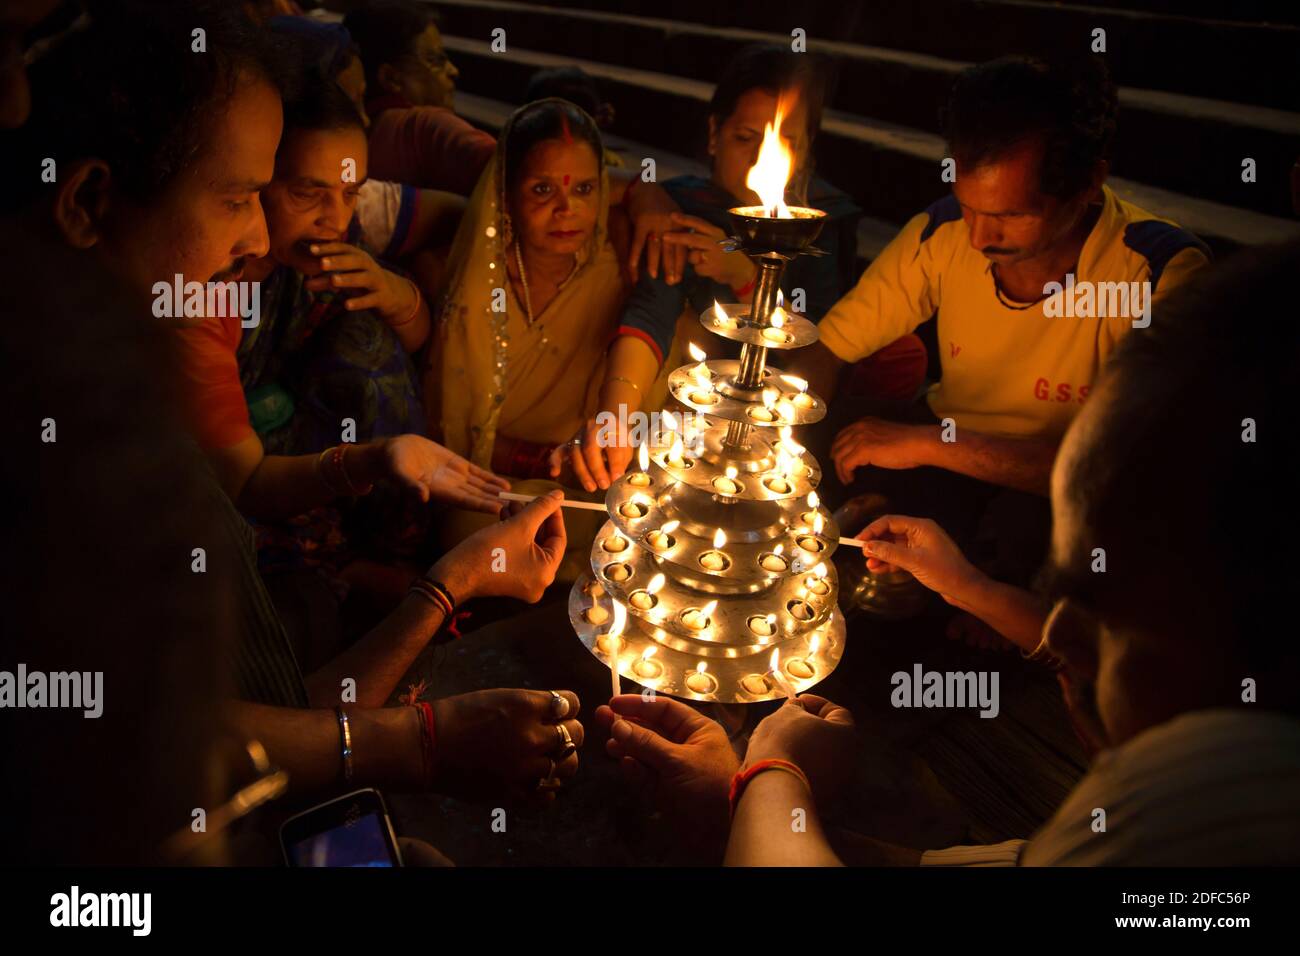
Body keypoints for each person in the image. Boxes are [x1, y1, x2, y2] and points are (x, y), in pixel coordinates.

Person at [8, 0, 586, 815]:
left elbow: (285, 719)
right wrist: (421, 742)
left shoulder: (120, 386)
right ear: (88, 200)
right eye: (241, 195)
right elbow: (158, 758)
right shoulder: (70, 456)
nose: (256, 238)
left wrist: (455, 579)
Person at [603, 239, 1300, 866]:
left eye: (1098, 610)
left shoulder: (1207, 828)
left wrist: (775, 774)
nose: (1052, 639)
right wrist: (739, 814)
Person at [797, 56, 1211, 585]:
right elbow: (828, 347)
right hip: (948, 445)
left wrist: (929, 444)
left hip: (1064, 485)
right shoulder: (942, 231)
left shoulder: (1157, 272)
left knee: (1072, 532)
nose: (978, 238)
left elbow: (1132, 473)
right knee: (829, 449)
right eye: (970, 206)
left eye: (1011, 216)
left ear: (1088, 184)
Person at [558, 44, 927, 493]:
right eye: (744, 137)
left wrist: (747, 278)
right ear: (714, 134)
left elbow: (821, 343)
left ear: (808, 149)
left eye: (786, 141)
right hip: (684, 404)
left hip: (775, 414)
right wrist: (616, 416)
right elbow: (653, 306)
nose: (760, 159)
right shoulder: (685, 206)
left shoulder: (822, 222)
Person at [427, 98, 679, 488]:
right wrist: (546, 461)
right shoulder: (474, 283)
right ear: (505, 195)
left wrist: (645, 189)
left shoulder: (618, 263)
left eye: (584, 188)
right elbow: (453, 430)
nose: (567, 209)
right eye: (542, 189)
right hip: (489, 480)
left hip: (600, 473)